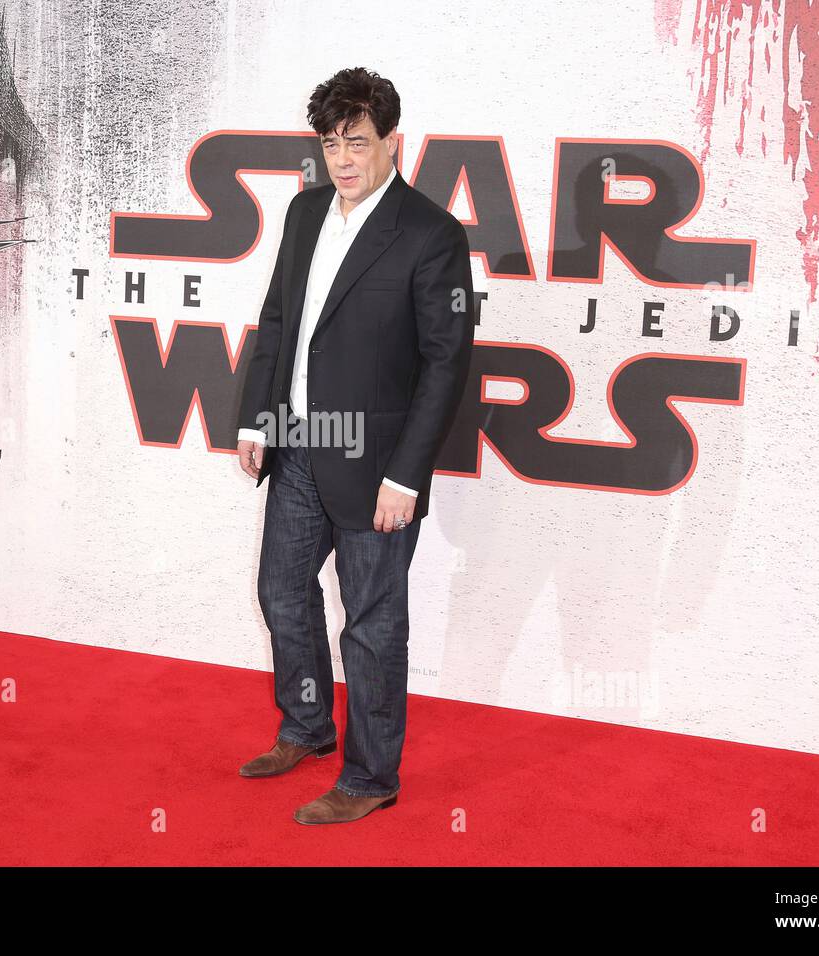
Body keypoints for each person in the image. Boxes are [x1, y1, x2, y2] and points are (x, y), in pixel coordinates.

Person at [235, 68, 474, 824]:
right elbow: (279, 320)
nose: (343, 159)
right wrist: (257, 421)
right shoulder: (306, 212)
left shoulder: (431, 234)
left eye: (358, 143)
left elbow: (446, 364)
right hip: (299, 444)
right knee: (281, 592)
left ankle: (371, 778)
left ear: (392, 142)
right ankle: (307, 726)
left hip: (377, 468)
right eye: (332, 143)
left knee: (372, 624)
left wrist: (407, 476)